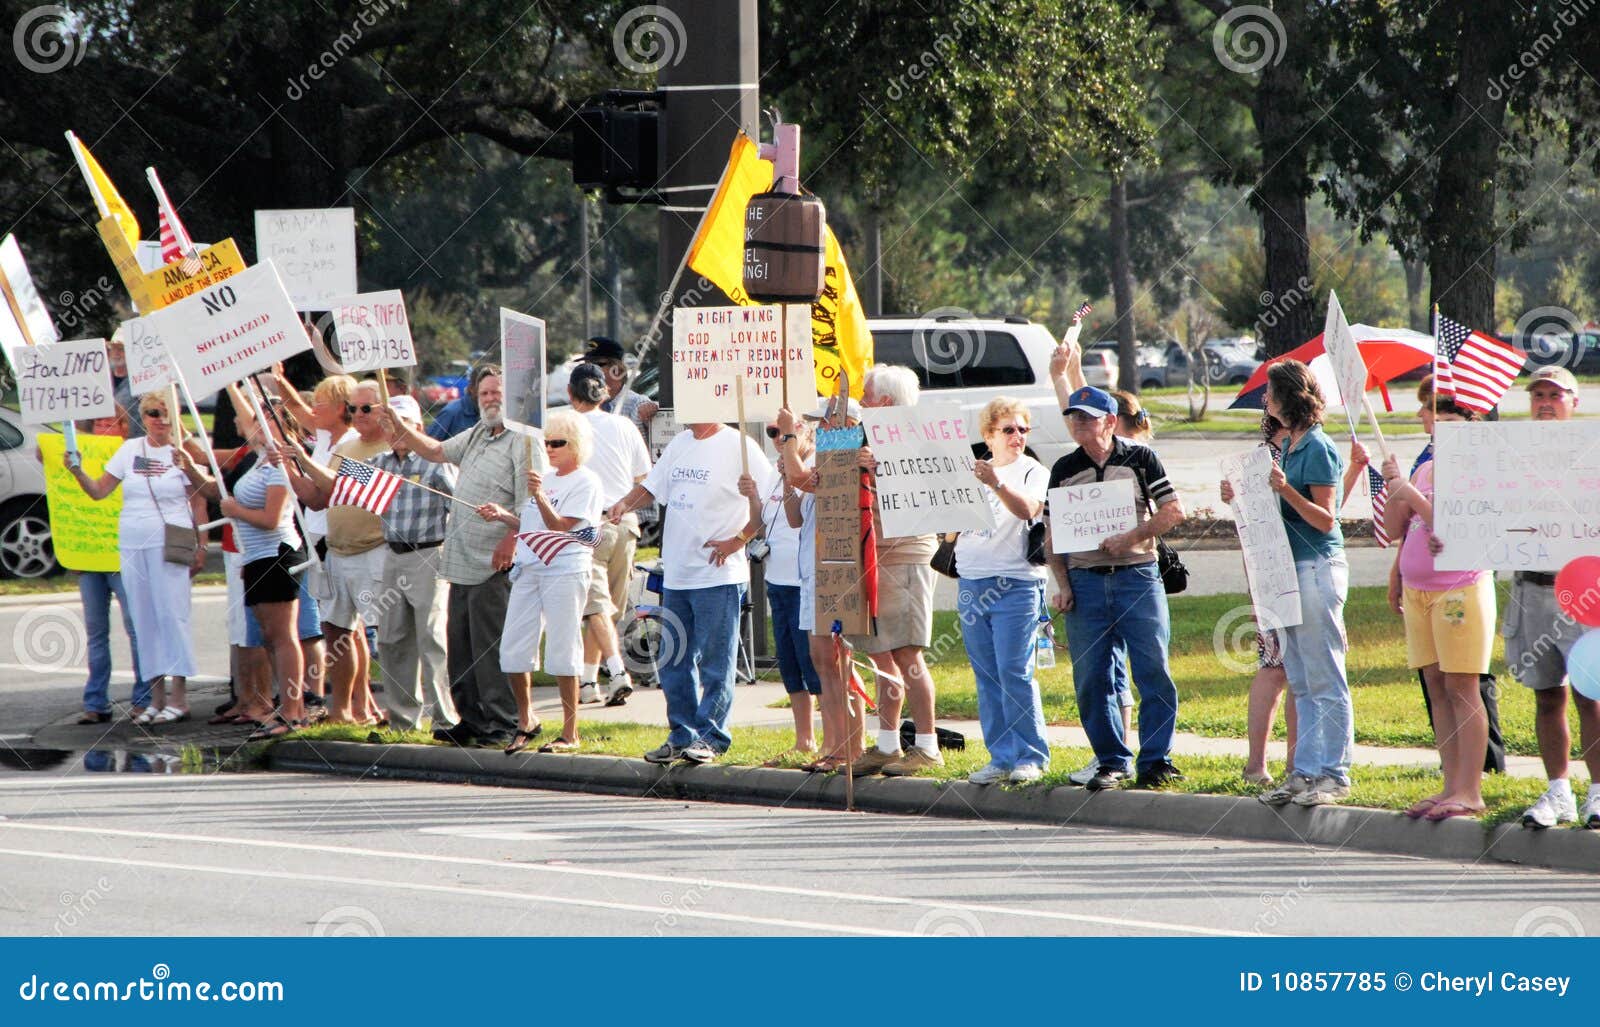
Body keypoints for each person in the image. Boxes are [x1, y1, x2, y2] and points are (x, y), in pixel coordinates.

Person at [379, 366, 540, 749]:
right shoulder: (478, 434)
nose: (490, 399)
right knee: (461, 645)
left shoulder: (523, 440)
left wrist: (512, 538)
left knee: (490, 646)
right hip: (461, 560)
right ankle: (470, 719)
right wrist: (400, 427)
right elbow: (435, 450)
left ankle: (502, 723)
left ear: (513, 396)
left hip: (495, 559)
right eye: (484, 393)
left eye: (497, 393)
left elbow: (530, 501)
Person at [1047, 386, 1186, 790]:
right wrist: (1062, 583)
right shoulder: (1064, 468)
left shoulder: (1140, 458)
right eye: (1074, 417)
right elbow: (1052, 536)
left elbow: (1173, 510)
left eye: (1087, 417)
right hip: (1086, 583)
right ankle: (1111, 761)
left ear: (1110, 421)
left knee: (1153, 669)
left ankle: (1156, 760)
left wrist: (1132, 536)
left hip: (1137, 576)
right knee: (1092, 677)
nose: (1079, 424)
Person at [607, 418, 767, 765]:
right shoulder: (680, 443)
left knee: (716, 661)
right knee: (673, 660)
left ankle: (712, 737)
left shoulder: (740, 446)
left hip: (718, 576)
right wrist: (624, 504)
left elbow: (767, 503)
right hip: (678, 574)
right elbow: (651, 487)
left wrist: (737, 540)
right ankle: (682, 735)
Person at [1377, 381, 1493, 820]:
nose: (1441, 430)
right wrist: (1394, 487)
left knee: (1463, 687)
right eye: (1437, 422)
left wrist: (1411, 495)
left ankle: (1471, 788)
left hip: (1459, 588)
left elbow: (1454, 531)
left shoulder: (1478, 471)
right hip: (1419, 589)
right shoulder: (1425, 470)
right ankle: (1450, 785)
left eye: (1452, 423)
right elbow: (1393, 529)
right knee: (1436, 687)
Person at [1497, 366, 1599, 828]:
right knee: (1546, 695)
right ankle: (1558, 791)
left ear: (1573, 402)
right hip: (1531, 587)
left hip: (1580, 589)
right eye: (1536, 393)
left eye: (1554, 394)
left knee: (1590, 695)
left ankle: (1598, 793)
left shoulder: (1590, 453)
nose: (1544, 401)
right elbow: (1486, 516)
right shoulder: (1509, 457)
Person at [65, 390, 206, 723]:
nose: (160, 420)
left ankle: (180, 697)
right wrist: (77, 471)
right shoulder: (130, 450)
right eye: (154, 414)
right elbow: (99, 491)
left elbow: (204, 496)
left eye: (166, 413)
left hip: (170, 541)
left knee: (172, 615)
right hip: (132, 542)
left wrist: (201, 543)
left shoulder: (184, 451)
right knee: (144, 619)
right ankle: (155, 699)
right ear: (143, 418)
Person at [1254, 360, 1353, 808]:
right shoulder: (1291, 446)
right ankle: (1305, 771)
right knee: (1300, 676)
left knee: (1325, 673)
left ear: (1289, 397)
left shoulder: (1316, 446)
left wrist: (1284, 491)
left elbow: (1325, 517)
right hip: (1290, 570)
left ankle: (1334, 773)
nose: (1265, 399)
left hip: (1317, 567)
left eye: (1270, 393)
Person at [477, 410, 602, 754]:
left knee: (563, 646)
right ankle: (526, 719)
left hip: (565, 566)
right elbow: (531, 524)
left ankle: (570, 732)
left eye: (558, 442)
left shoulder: (586, 481)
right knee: (513, 646)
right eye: (547, 442)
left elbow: (561, 527)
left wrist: (541, 495)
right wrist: (504, 517)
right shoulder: (544, 477)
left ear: (576, 445)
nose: (550, 449)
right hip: (530, 567)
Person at [847, 364, 945, 777]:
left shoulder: (919, 441)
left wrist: (878, 464)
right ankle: (887, 744)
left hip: (905, 556)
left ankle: (927, 746)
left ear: (884, 403)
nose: (861, 402)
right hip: (874, 553)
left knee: (907, 654)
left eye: (867, 396)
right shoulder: (862, 440)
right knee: (882, 654)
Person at [203, 385, 308, 740]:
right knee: (268, 636)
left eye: (266, 421)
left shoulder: (280, 465)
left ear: (281, 427)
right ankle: (284, 705)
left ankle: (294, 710)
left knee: (283, 636)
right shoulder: (260, 459)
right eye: (257, 420)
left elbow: (271, 517)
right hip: (255, 556)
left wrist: (235, 510)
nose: (258, 426)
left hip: (276, 552)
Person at [283, 379, 390, 724]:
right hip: (335, 547)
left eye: (365, 409)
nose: (358, 414)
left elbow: (345, 487)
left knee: (377, 633)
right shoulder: (346, 447)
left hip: (371, 548)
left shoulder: (383, 448)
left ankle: (377, 709)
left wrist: (299, 456)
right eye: (355, 408)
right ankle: (345, 708)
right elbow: (317, 497)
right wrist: (287, 464)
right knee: (337, 630)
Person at [956, 398, 1050, 785]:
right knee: (987, 673)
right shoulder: (971, 471)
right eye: (1008, 429)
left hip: (1017, 582)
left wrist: (996, 484)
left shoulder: (1032, 470)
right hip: (972, 579)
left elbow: (1028, 510)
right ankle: (1000, 756)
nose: (1017, 436)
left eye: (1023, 429)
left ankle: (1030, 754)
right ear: (988, 435)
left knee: (1015, 670)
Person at [775, 398, 867, 773]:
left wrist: (788, 436)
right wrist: (786, 476)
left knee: (838, 661)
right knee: (821, 661)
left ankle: (852, 745)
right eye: (817, 423)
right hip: (814, 571)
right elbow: (795, 517)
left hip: (839, 572)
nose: (821, 427)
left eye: (826, 421)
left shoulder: (849, 456)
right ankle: (833, 743)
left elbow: (802, 478)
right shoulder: (823, 459)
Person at [47, 410, 149, 724]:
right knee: (96, 632)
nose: (103, 429)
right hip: (90, 557)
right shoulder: (80, 456)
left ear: (122, 427)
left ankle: (144, 698)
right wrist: (51, 453)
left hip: (123, 555)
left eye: (110, 424)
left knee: (136, 628)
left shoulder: (135, 456)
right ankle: (95, 702)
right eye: (98, 424)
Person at [370, 395, 459, 734]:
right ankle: (403, 720)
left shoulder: (437, 461)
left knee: (432, 638)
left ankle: (444, 718)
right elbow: (335, 490)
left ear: (418, 427)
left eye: (403, 423)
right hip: (392, 555)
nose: (396, 431)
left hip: (430, 554)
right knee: (392, 638)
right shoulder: (380, 463)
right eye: (390, 424)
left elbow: (462, 504)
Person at [566, 361, 649, 706]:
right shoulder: (625, 426)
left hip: (587, 526)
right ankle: (588, 682)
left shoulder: (566, 428)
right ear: (604, 391)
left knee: (595, 608)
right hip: (625, 524)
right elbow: (645, 482)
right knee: (605, 610)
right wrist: (625, 505)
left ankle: (614, 674)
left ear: (571, 394)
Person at [755, 421, 821, 761]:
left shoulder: (812, 469)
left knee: (815, 663)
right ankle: (803, 739)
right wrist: (752, 496)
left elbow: (799, 518)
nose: (779, 440)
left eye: (786, 433)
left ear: (806, 434)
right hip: (777, 580)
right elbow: (764, 519)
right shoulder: (773, 473)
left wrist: (790, 475)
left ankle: (835, 738)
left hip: (804, 583)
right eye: (773, 434)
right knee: (790, 663)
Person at [581, 337, 657, 437]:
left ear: (617, 369)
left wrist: (653, 408)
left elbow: (663, 423)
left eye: (596, 365)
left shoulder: (637, 405)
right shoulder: (583, 404)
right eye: (586, 365)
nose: (588, 371)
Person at [425, 363, 493, 441]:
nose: (491, 397)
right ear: (471, 388)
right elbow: (428, 445)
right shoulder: (452, 413)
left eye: (496, 391)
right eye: (485, 391)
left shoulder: (499, 415)